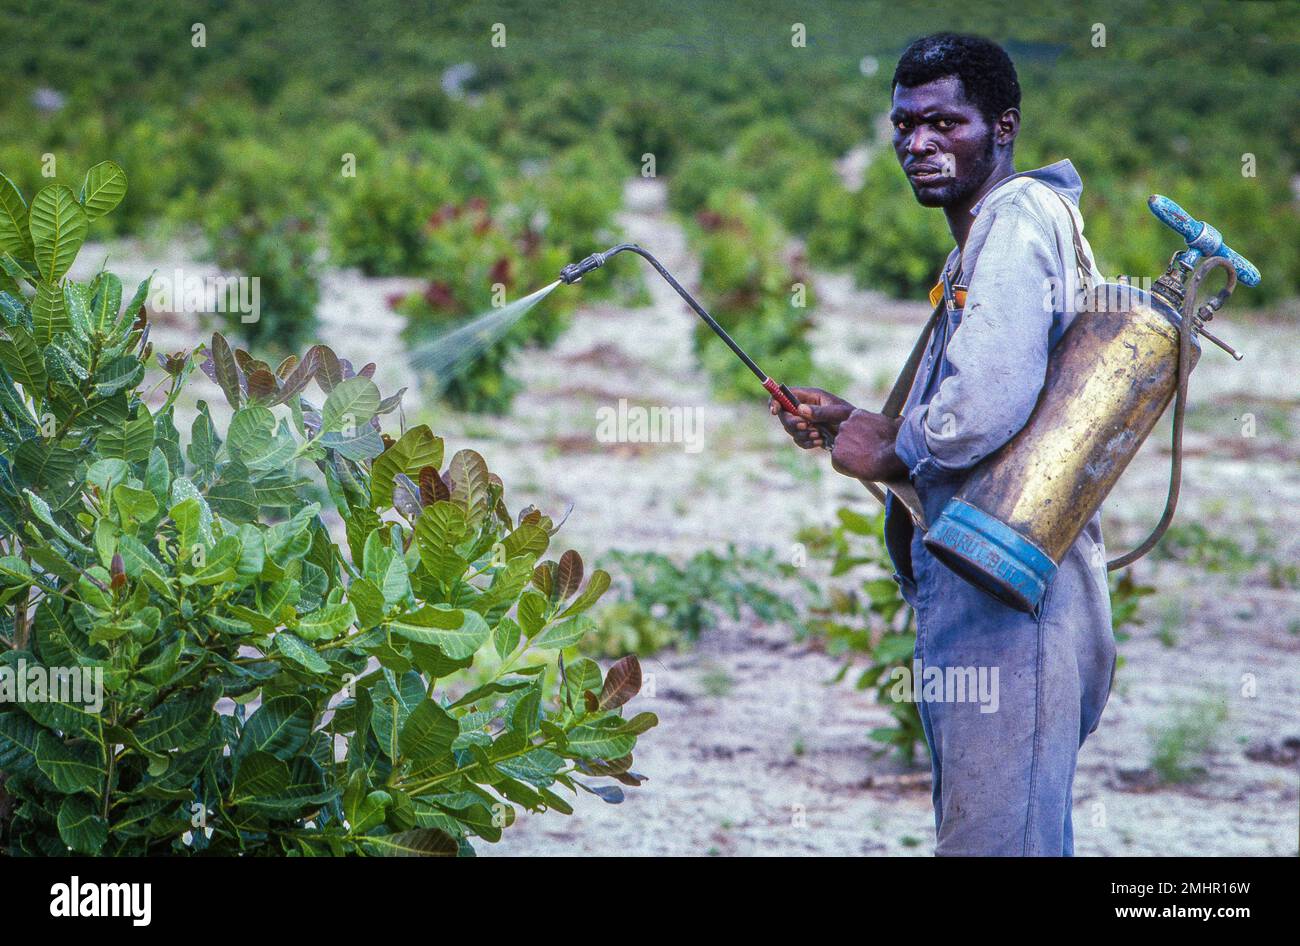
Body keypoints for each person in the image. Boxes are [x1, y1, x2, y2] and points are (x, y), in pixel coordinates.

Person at [772, 32, 1116, 856]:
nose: (917, 144)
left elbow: (983, 409)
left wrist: (896, 451)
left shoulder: (1015, 219)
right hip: (995, 576)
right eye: (903, 125)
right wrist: (857, 421)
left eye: (944, 123)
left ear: (1004, 127)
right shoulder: (989, 232)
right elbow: (984, 406)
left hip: (1011, 597)